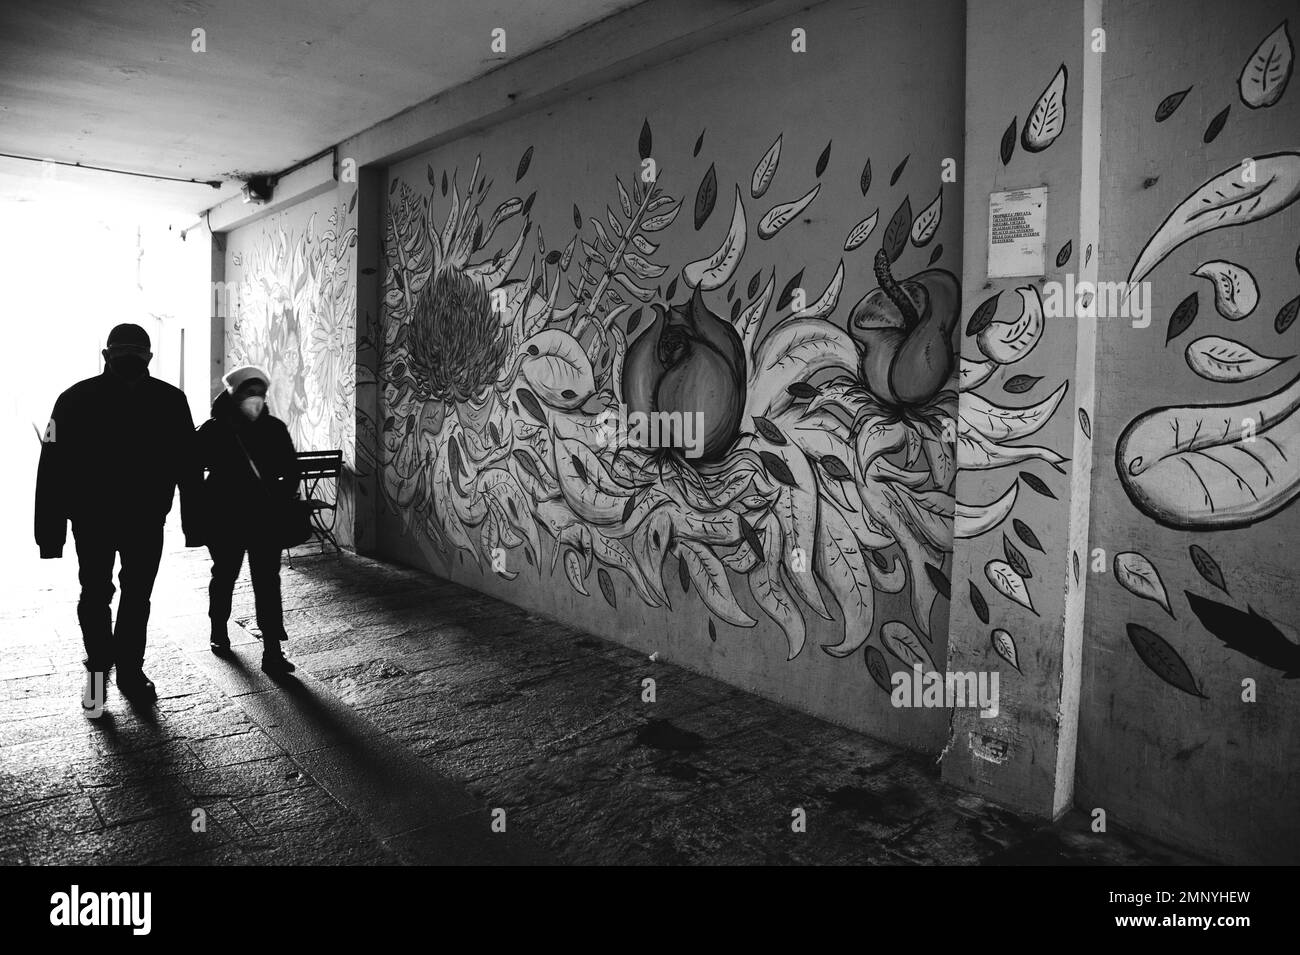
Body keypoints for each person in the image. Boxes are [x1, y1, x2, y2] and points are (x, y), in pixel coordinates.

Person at [35, 323, 203, 711]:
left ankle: (99, 682)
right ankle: (129, 672)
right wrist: (195, 524)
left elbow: (52, 465)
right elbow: (189, 467)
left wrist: (50, 532)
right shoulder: (170, 399)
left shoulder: (72, 399)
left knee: (97, 596)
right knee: (134, 596)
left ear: (106, 355)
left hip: (93, 519)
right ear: (148, 357)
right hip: (143, 518)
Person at [197, 365, 299, 674]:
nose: (255, 398)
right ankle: (219, 629)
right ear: (233, 394)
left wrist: (279, 497)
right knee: (224, 576)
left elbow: (292, 470)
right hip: (224, 519)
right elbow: (192, 468)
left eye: (261, 393)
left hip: (264, 518)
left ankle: (272, 649)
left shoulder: (274, 428)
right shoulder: (214, 429)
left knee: (267, 583)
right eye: (249, 393)